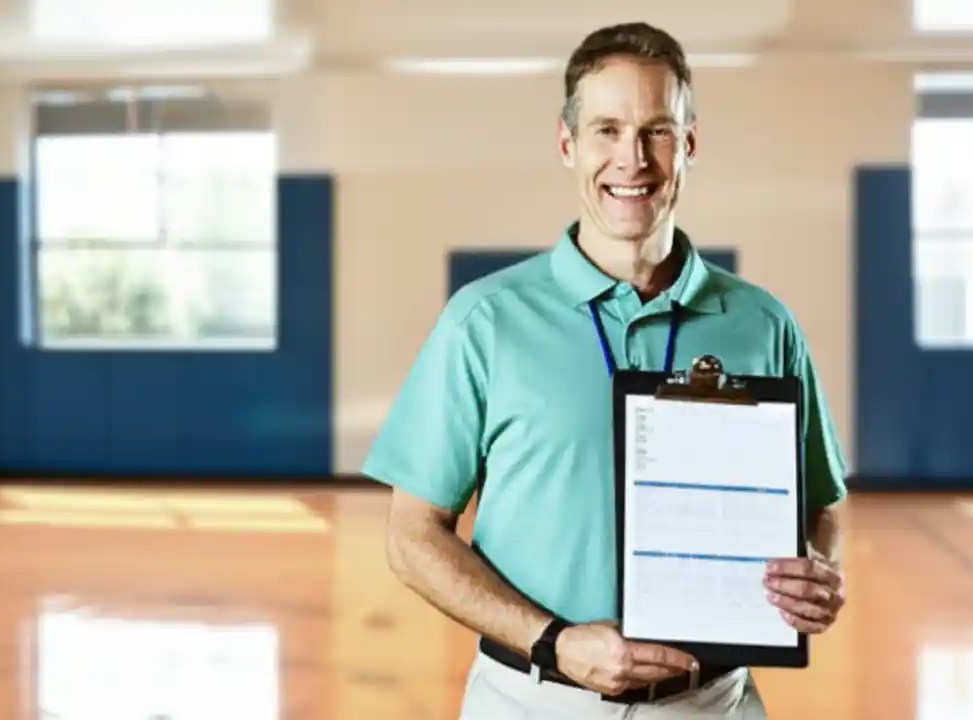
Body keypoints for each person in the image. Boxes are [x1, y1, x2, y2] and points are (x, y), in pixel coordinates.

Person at [362, 21, 848, 719]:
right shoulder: (486, 321)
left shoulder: (764, 325)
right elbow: (411, 538)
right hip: (532, 701)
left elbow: (820, 503)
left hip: (713, 702)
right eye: (607, 130)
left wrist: (820, 571)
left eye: (656, 131)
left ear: (689, 145)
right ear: (568, 144)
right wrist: (552, 641)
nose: (633, 159)